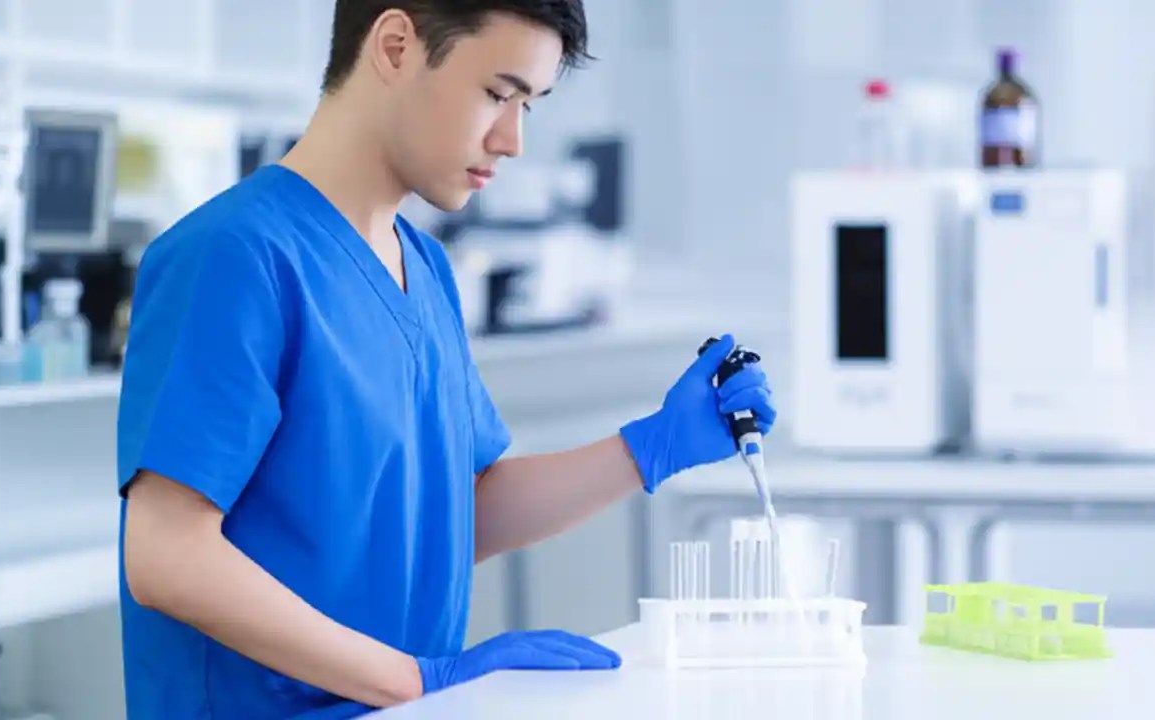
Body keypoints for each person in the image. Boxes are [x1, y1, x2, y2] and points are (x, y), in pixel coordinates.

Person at [115, 1, 777, 718]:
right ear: (396, 47)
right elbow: (166, 558)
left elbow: (455, 514)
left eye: (530, 105)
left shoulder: (424, 268)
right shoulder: (235, 255)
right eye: (498, 94)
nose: (514, 139)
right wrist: (418, 680)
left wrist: (648, 448)